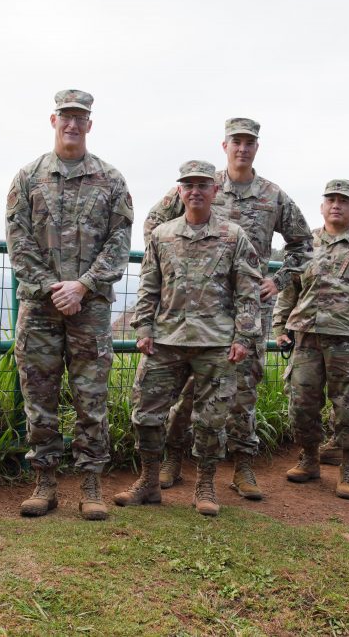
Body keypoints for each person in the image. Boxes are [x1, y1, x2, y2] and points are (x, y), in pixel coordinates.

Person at [142, 118, 310, 500]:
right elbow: (155, 226)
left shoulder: (272, 195)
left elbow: (303, 244)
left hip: (247, 313)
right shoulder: (202, 184)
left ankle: (243, 467)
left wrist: (277, 280)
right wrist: (175, 273)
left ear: (256, 147)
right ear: (225, 145)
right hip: (193, 314)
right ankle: (173, 458)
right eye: (236, 141)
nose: (242, 148)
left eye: (249, 142)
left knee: (243, 390)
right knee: (186, 388)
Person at [5, 89, 133, 521]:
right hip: (39, 309)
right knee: (38, 398)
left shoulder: (112, 181)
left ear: (90, 125)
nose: (72, 125)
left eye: (80, 118)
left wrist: (82, 286)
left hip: (90, 310)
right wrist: (51, 287)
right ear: (53, 120)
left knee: (90, 400)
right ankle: (44, 481)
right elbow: (17, 241)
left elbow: (119, 244)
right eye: (65, 117)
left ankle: (92, 483)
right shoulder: (28, 177)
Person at [115, 160, 261, 516]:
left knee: (211, 419)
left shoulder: (233, 235)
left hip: (215, 343)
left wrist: (243, 336)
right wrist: (144, 328)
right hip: (166, 339)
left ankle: (205, 485)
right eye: (188, 185)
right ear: (179, 191)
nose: (195, 191)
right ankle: (148, 482)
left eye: (202, 185)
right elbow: (149, 285)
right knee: (146, 412)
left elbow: (247, 289)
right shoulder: (162, 235)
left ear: (214, 191)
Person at [274, 180, 349, 500]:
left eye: (344, 201)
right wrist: (279, 326)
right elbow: (289, 289)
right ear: (321, 205)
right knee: (302, 403)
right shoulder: (305, 245)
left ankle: (347, 470)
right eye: (331, 200)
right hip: (307, 337)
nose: (336, 205)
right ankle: (310, 460)